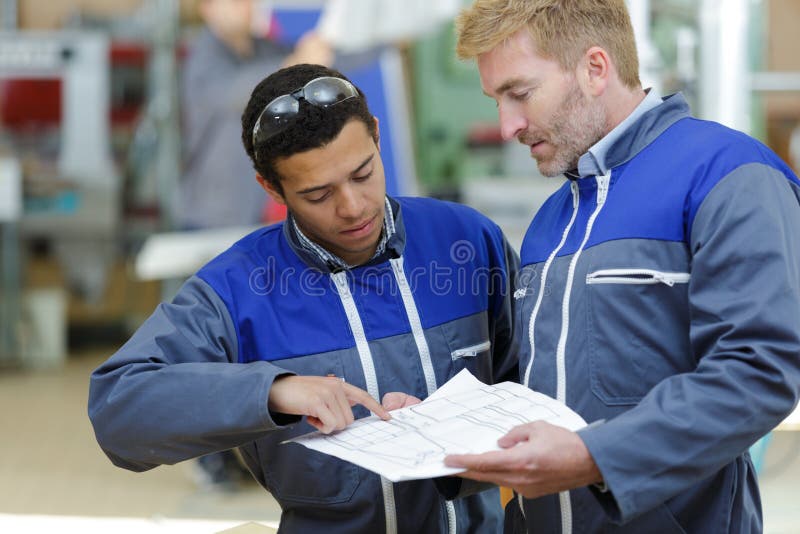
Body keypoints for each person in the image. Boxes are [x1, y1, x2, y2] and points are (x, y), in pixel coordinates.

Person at [89, 63, 520, 533]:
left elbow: (542, 389)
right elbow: (118, 408)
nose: (352, 207)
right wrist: (272, 392)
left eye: (363, 173)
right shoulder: (239, 288)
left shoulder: (467, 242)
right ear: (271, 187)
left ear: (377, 137)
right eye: (318, 194)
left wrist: (449, 427)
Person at [445, 1, 800, 532]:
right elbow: (553, 381)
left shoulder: (729, 175)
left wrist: (593, 457)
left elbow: (760, 369)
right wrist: (443, 422)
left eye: (519, 94)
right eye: (496, 100)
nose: (506, 126)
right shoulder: (552, 218)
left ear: (595, 67)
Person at [176, 0, 333, 229]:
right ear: (207, 9)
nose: (246, 5)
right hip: (206, 221)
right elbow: (236, 90)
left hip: (251, 214)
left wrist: (383, 39)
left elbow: (325, 61)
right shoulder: (203, 59)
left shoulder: (263, 49)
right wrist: (295, 63)